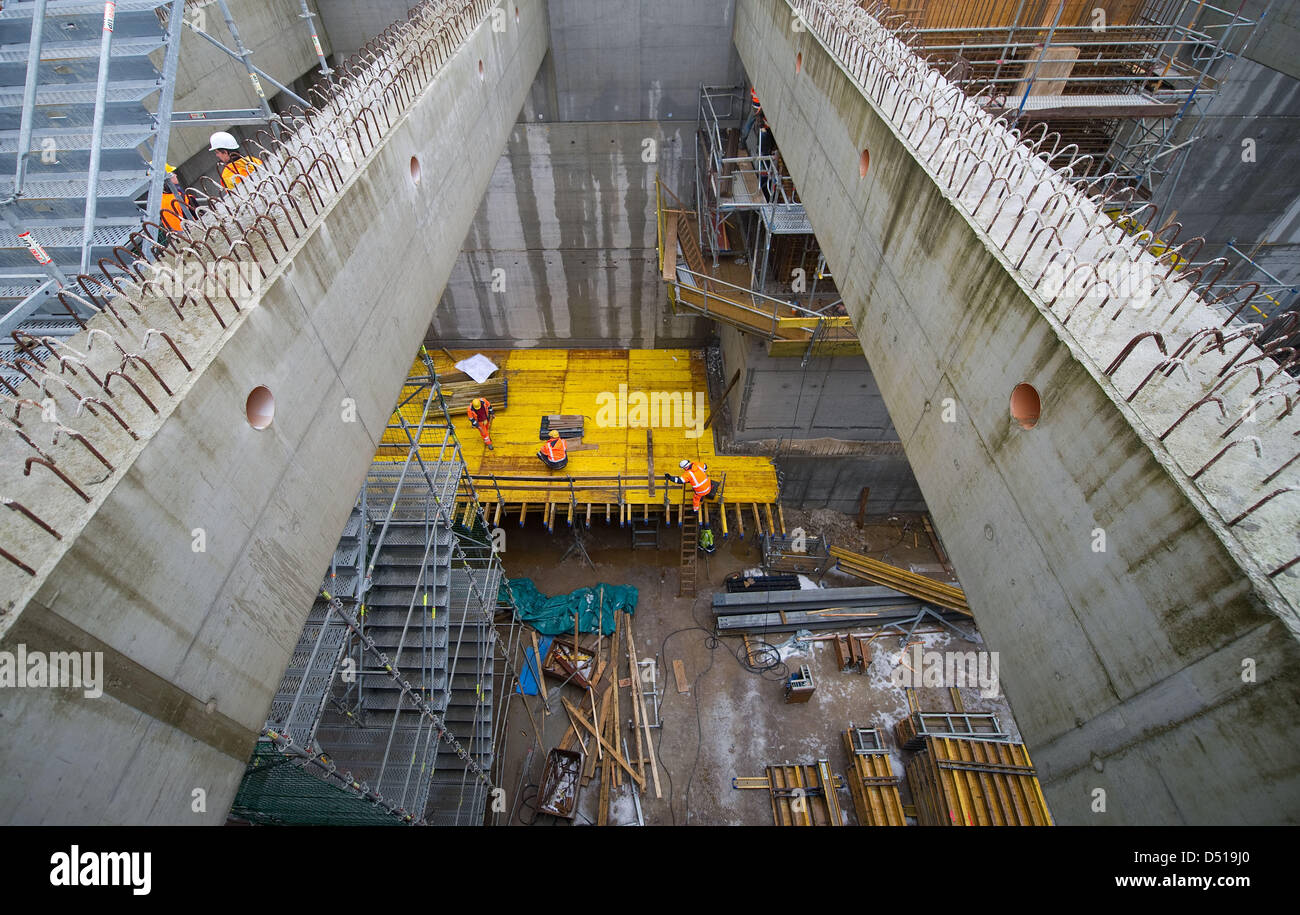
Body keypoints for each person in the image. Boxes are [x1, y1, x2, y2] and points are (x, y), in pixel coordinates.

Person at [158, 164, 195, 247]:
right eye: (172, 173)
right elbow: (202, 220)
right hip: (191, 236)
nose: (176, 175)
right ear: (167, 179)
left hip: (177, 240)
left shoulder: (158, 202)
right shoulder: (184, 199)